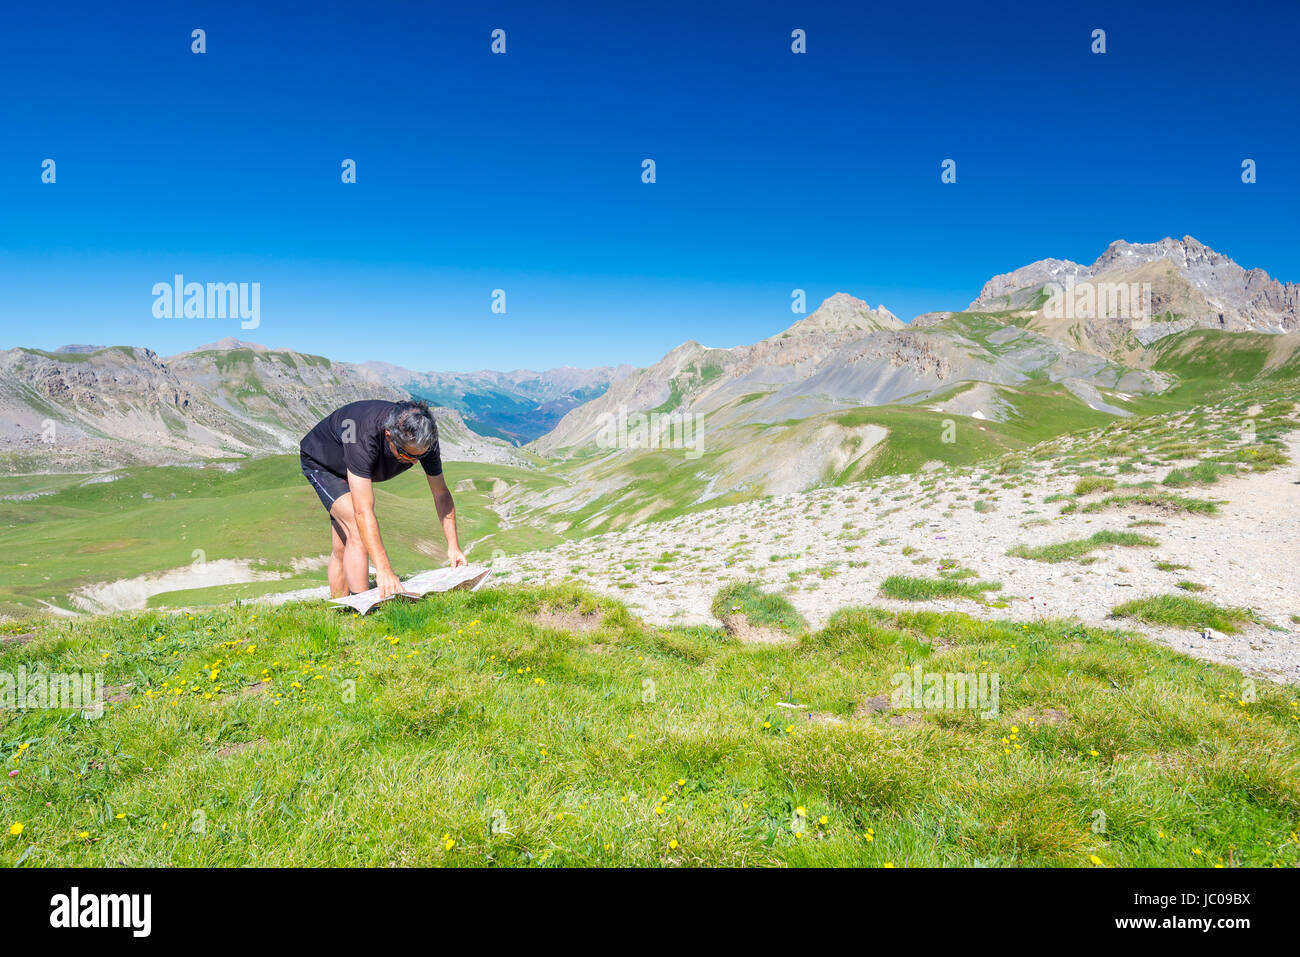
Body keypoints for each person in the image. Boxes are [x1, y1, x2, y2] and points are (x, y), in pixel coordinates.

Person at [299, 399, 466, 598]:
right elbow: (363, 510)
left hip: (353, 462)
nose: (413, 461)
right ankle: (364, 609)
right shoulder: (363, 433)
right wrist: (383, 569)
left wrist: (453, 546)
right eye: (406, 456)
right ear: (389, 436)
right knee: (357, 530)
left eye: (419, 457)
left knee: (342, 545)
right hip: (324, 462)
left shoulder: (424, 437)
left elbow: (441, 494)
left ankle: (341, 613)